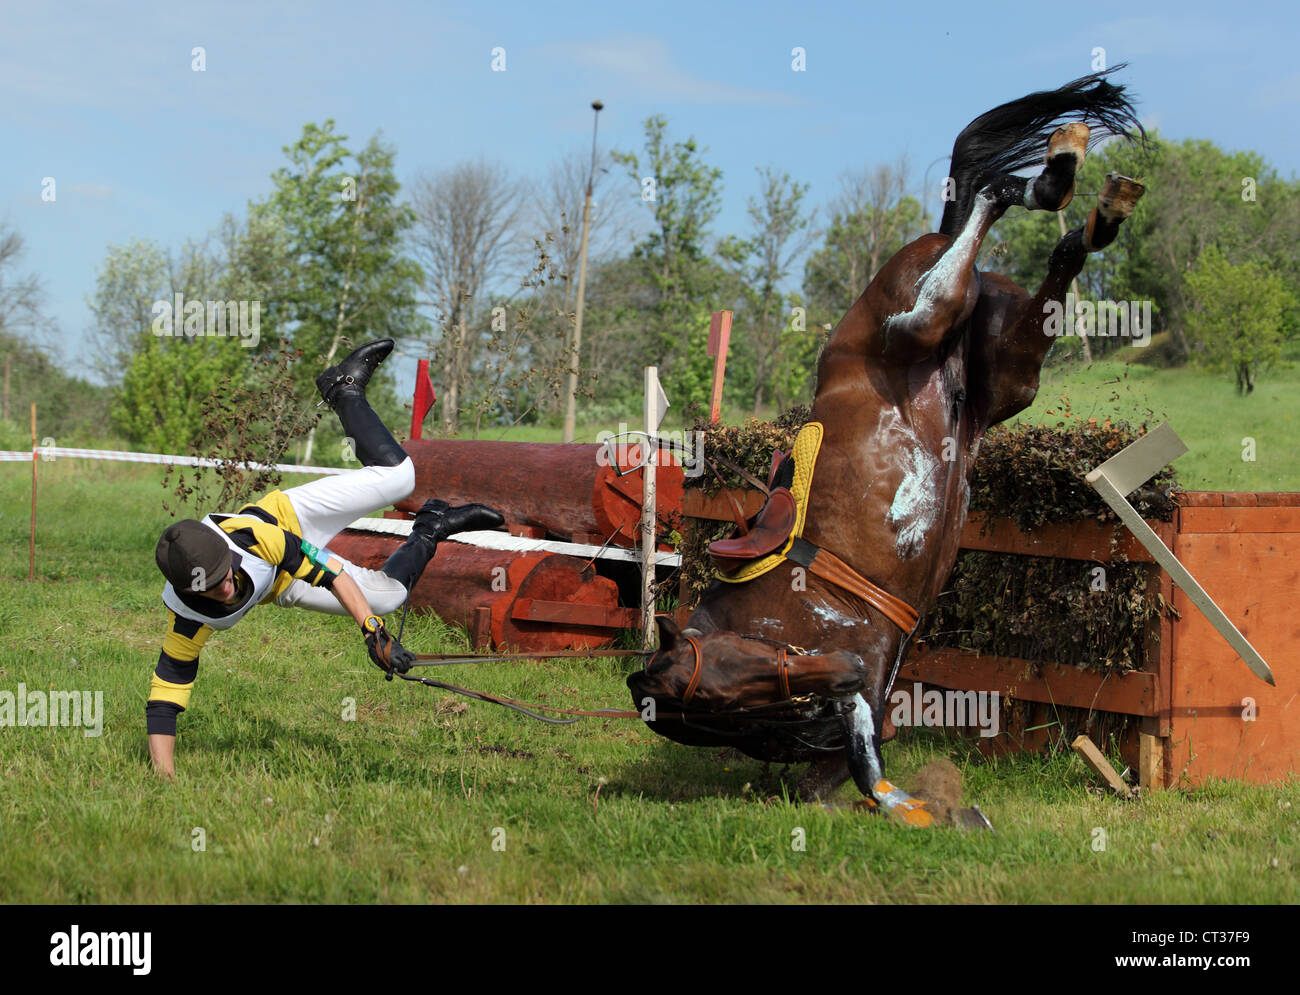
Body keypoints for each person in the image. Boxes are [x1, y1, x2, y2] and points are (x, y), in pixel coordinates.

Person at [147, 339, 503, 777]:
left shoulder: (254, 539)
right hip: (282, 583)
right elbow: (165, 700)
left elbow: (331, 574)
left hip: (288, 521)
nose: (225, 586)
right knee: (388, 598)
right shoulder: (187, 620)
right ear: (189, 591)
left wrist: (372, 634)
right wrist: (164, 781)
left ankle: (343, 389)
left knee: (398, 477)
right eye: (212, 586)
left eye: (225, 573)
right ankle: (432, 526)